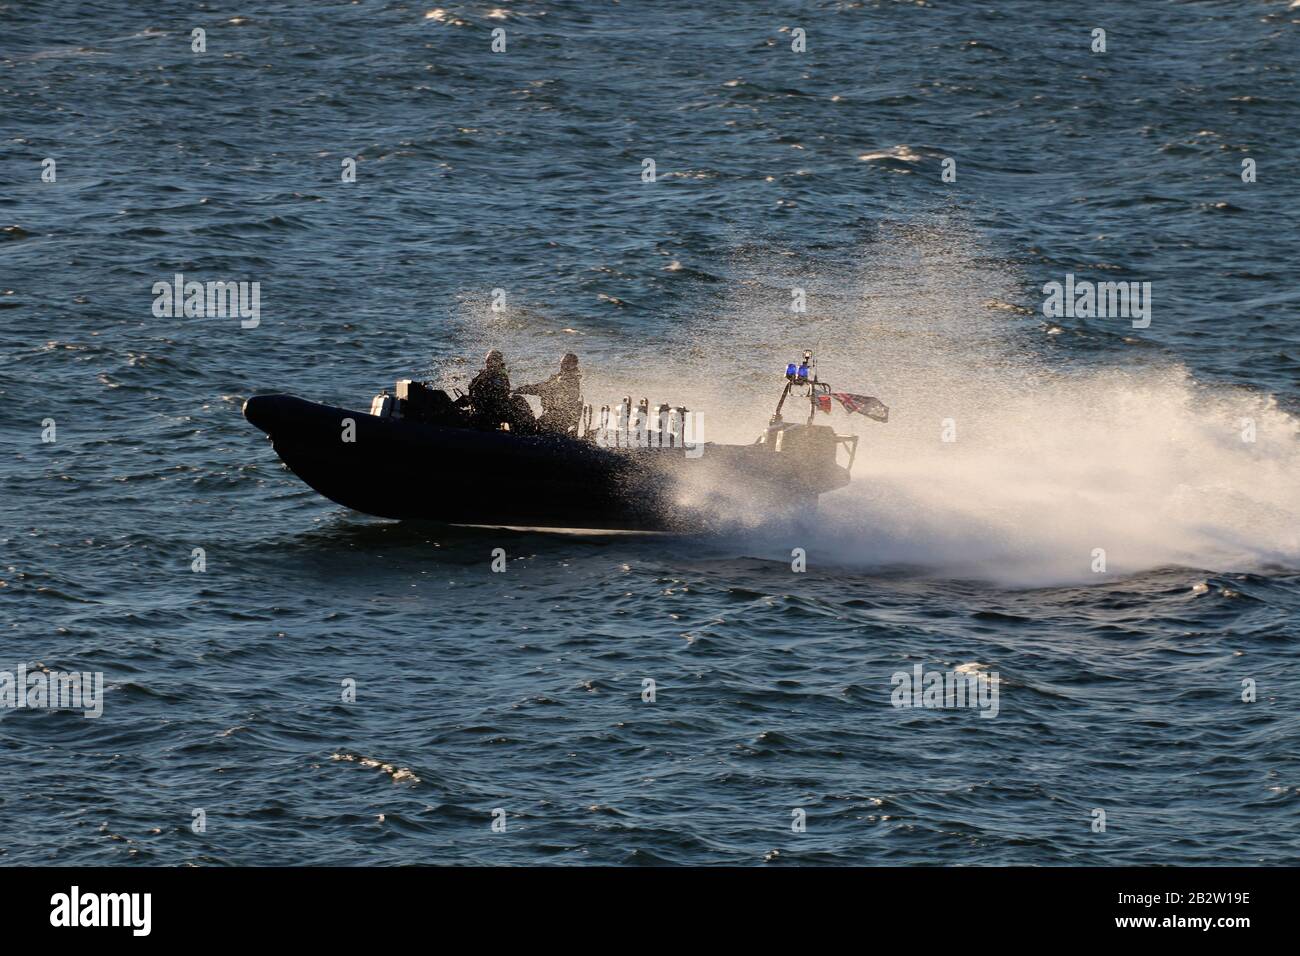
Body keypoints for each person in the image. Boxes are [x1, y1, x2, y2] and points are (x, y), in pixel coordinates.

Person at [466, 350, 535, 433]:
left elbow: (503, 392)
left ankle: (527, 428)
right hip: (488, 411)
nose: (490, 363)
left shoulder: (500, 375)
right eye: (488, 361)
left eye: (494, 360)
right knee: (517, 401)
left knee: (518, 399)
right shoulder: (483, 377)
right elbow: (475, 393)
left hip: (497, 408)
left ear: (499, 362)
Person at [515, 353, 582, 435]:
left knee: (535, 424)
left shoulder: (569, 379)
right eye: (563, 362)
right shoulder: (561, 377)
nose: (563, 365)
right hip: (556, 415)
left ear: (573, 365)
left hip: (559, 416)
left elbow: (544, 389)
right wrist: (522, 389)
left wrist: (523, 389)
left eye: (567, 363)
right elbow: (544, 388)